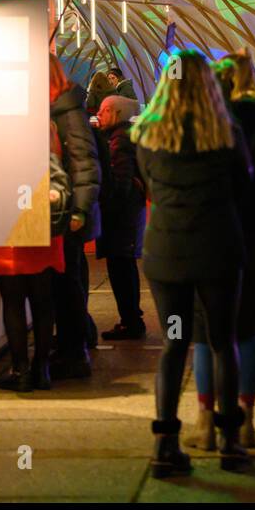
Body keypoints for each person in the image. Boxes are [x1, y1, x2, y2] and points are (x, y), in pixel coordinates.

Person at [134, 48, 253, 476]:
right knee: (223, 342)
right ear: (208, 86)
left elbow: (149, 184)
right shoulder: (225, 134)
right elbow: (244, 188)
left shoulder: (147, 137)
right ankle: (230, 442)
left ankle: (164, 444)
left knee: (173, 343)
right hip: (218, 251)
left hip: (167, 255)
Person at [186, 51, 255, 451]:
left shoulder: (191, 131)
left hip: (203, 243)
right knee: (245, 331)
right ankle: (246, 423)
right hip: (250, 236)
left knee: (206, 337)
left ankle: (206, 421)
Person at [0, 121, 66, 392]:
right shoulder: (44, 125)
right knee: (43, 302)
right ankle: (42, 369)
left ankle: (21, 370)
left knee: (13, 302)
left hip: (7, 224)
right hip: (40, 220)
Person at [48, 56, 103, 380]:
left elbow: (85, 162)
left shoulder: (66, 111)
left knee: (66, 281)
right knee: (70, 279)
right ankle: (79, 339)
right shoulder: (65, 108)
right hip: (68, 209)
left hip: (69, 211)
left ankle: (74, 352)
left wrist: (79, 211)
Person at [95, 95, 147, 341]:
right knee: (123, 267)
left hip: (121, 218)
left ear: (116, 113)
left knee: (121, 269)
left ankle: (131, 321)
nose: (99, 113)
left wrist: (109, 205)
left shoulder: (120, 140)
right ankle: (131, 319)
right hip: (127, 216)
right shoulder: (124, 137)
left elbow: (121, 181)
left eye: (104, 110)